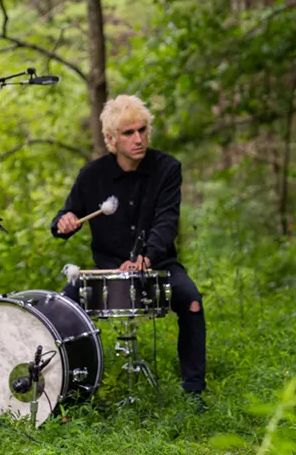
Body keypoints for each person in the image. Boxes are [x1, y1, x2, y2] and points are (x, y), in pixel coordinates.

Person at [51, 95, 207, 406]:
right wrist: (63, 222)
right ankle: (69, 391)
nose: (138, 139)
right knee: (60, 313)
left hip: (157, 263)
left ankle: (194, 392)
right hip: (107, 270)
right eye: (128, 133)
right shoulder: (91, 175)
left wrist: (146, 256)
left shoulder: (167, 168)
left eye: (142, 129)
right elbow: (64, 218)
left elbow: (167, 220)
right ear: (110, 139)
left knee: (191, 301)